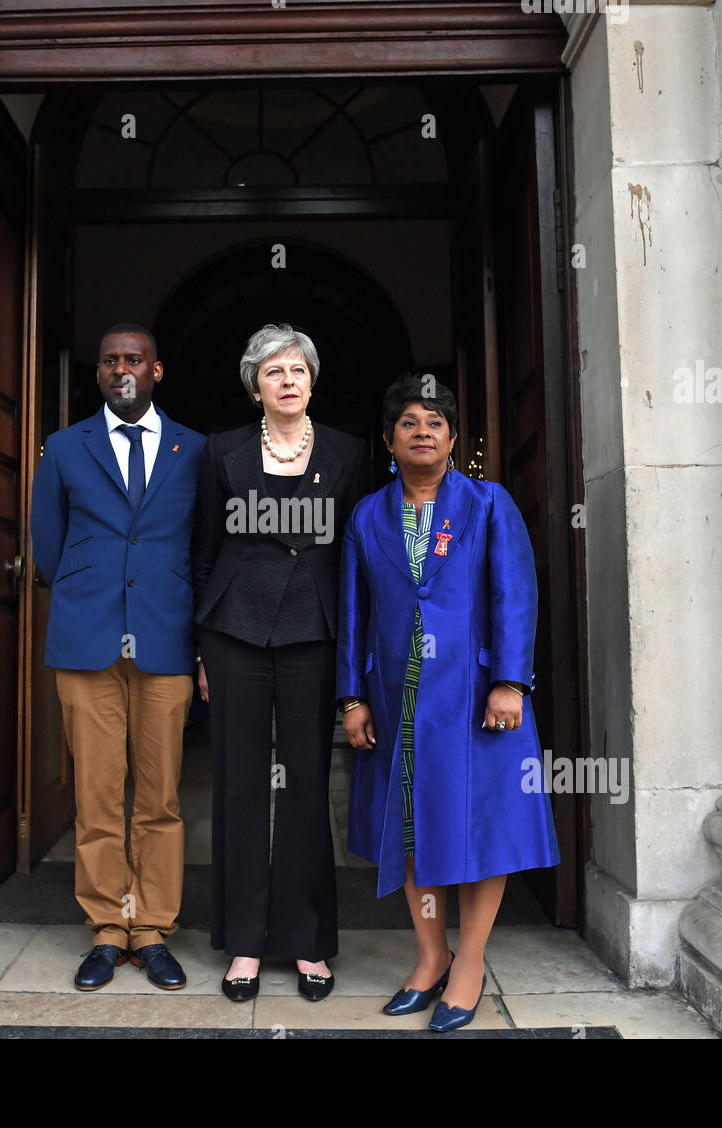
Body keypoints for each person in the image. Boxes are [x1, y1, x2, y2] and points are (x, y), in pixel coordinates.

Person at [336, 374, 559, 1031]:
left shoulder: (489, 504)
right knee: (410, 825)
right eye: (409, 422)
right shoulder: (367, 516)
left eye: (435, 422)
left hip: (477, 696)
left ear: (454, 439)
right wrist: (352, 696)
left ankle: (470, 962)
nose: (423, 431)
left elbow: (514, 595)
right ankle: (432, 955)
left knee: (482, 825)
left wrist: (512, 682)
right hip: (398, 697)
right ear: (388, 441)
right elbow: (354, 613)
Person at [193, 323, 371, 1002]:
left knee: (304, 787)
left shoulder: (350, 453)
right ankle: (243, 941)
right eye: (274, 372)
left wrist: (357, 657)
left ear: (313, 379)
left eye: (298, 369)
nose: (288, 380)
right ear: (255, 385)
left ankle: (306, 941)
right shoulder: (222, 452)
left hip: (313, 634)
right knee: (237, 785)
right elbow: (203, 550)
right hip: (234, 632)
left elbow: (355, 559)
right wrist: (199, 647)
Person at [30, 323, 206, 992]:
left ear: (156, 371)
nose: (122, 368)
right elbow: (49, 545)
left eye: (134, 358)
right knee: (96, 794)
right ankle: (108, 927)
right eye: (110, 360)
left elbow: (201, 545)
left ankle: (153, 927)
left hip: (165, 640)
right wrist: (89, 593)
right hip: (86, 641)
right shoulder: (66, 448)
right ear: (97, 373)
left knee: (158, 797)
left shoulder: (196, 449)